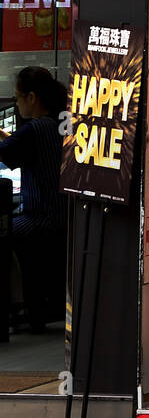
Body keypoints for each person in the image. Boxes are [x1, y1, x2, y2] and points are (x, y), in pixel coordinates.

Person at [0, 67, 67, 333]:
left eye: (17, 98)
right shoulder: (57, 123)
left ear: (31, 97)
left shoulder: (35, 129)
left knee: (4, 232)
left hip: (42, 218)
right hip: (62, 214)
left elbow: (7, 153)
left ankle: (17, 306)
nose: (16, 104)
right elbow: (15, 146)